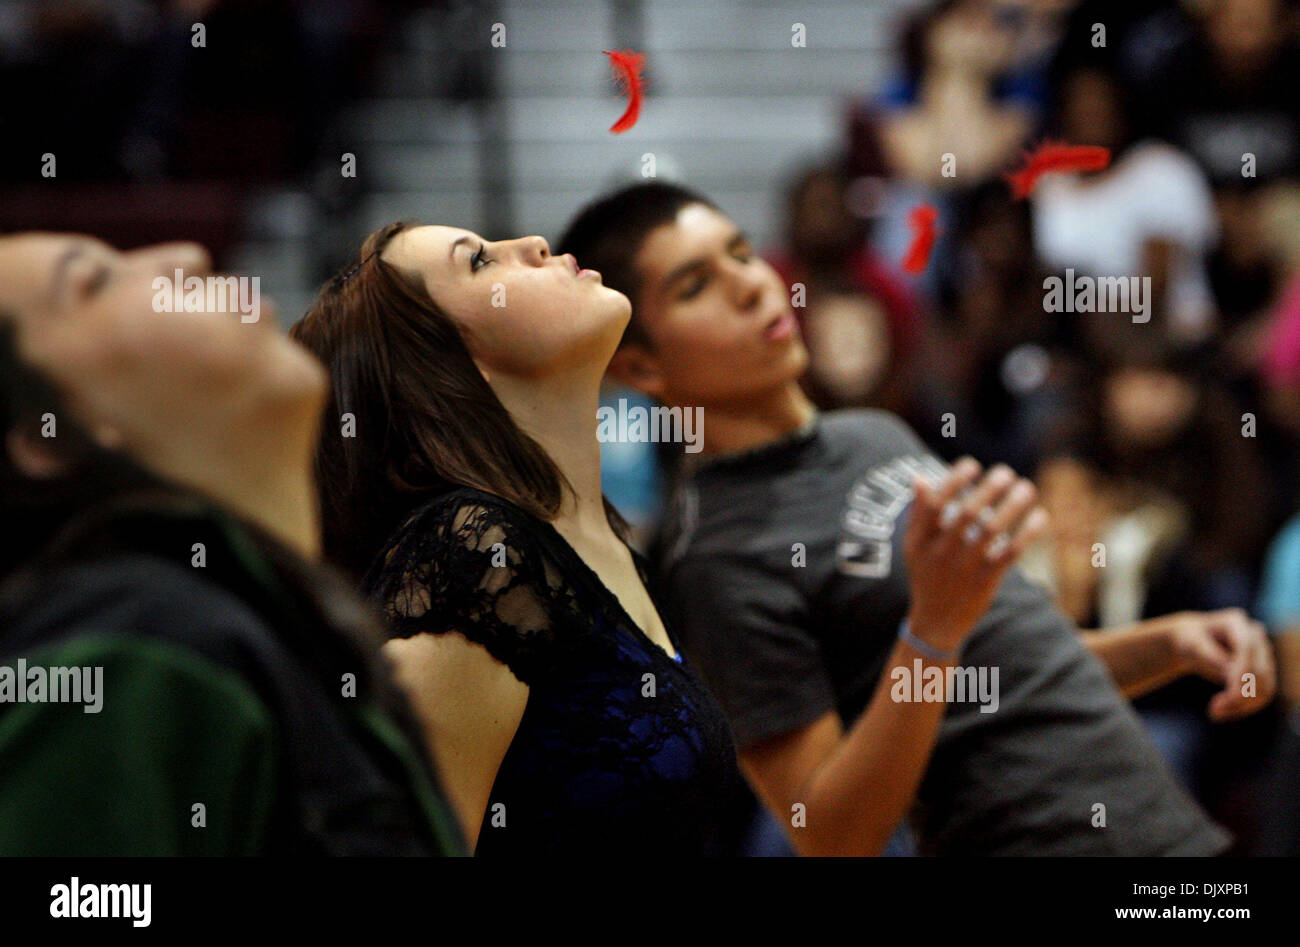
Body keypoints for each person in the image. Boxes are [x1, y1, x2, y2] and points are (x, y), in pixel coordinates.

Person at [555, 180, 1277, 855]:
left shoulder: (874, 432)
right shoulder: (715, 558)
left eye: (741, 252)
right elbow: (829, 831)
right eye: (696, 285)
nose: (750, 284)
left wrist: (1170, 643)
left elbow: (1009, 670)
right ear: (641, 369)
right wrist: (930, 631)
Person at [289, 220, 1047, 856]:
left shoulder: (608, 546)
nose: (530, 241)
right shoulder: (469, 554)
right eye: (479, 261)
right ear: (454, 370)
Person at [0, 232, 464, 855]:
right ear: (46, 433)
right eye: (94, 282)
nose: (186, 257)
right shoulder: (127, 650)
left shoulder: (272, 621)